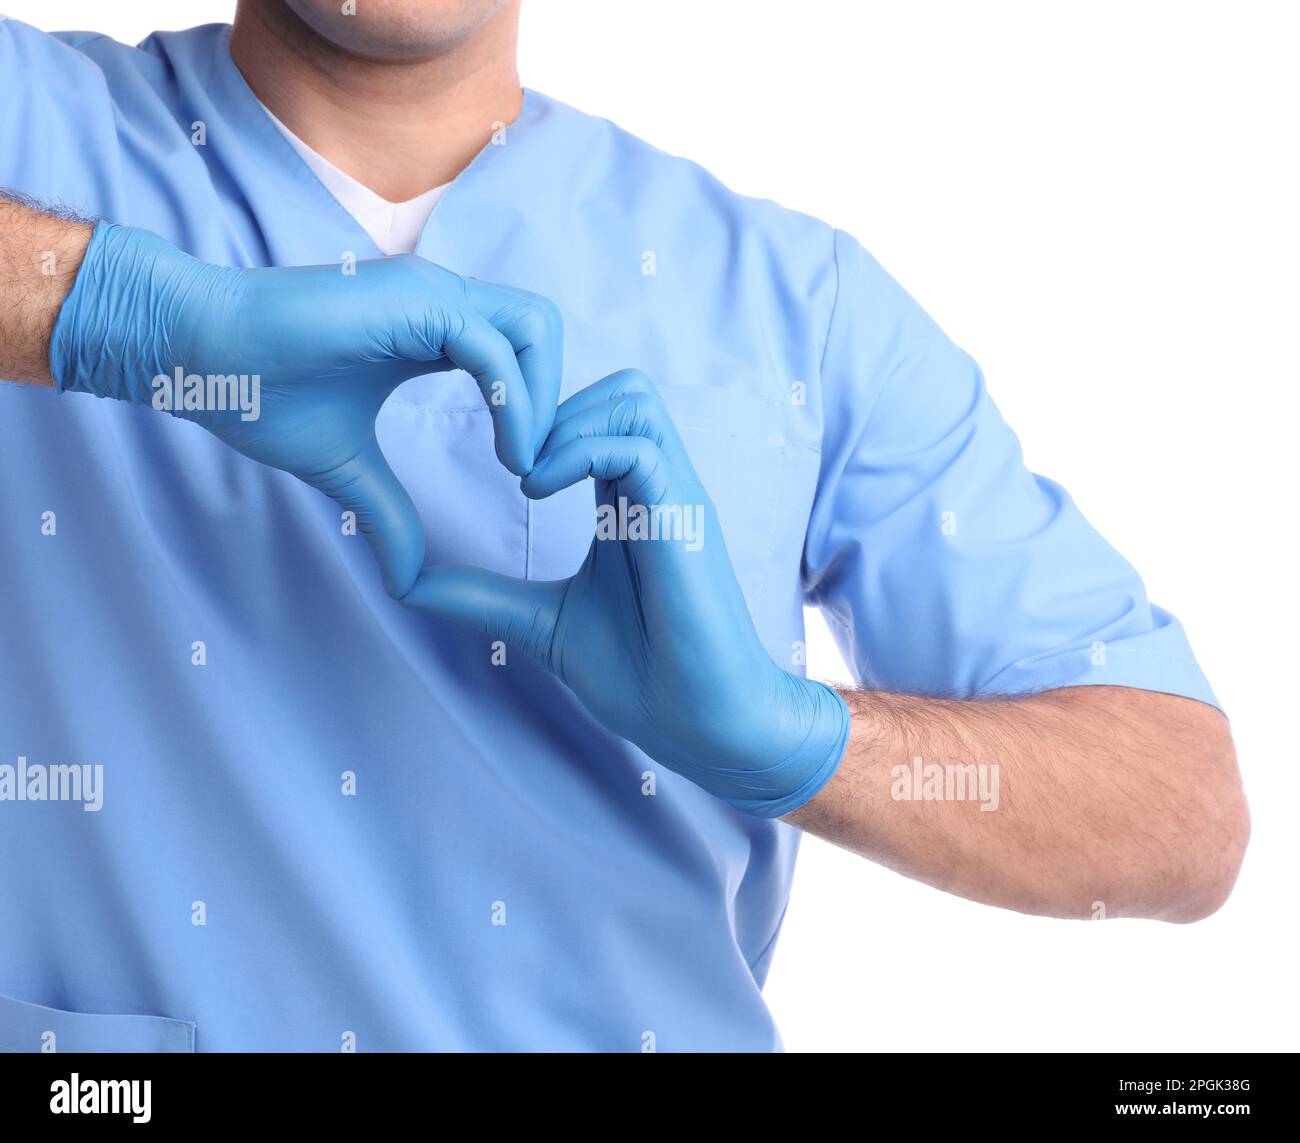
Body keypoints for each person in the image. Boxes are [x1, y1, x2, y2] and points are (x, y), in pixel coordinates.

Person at [0, 1, 1248, 1052]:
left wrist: (789, 735)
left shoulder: (791, 302)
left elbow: (1180, 810)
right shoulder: (36, 127)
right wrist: (121, 310)